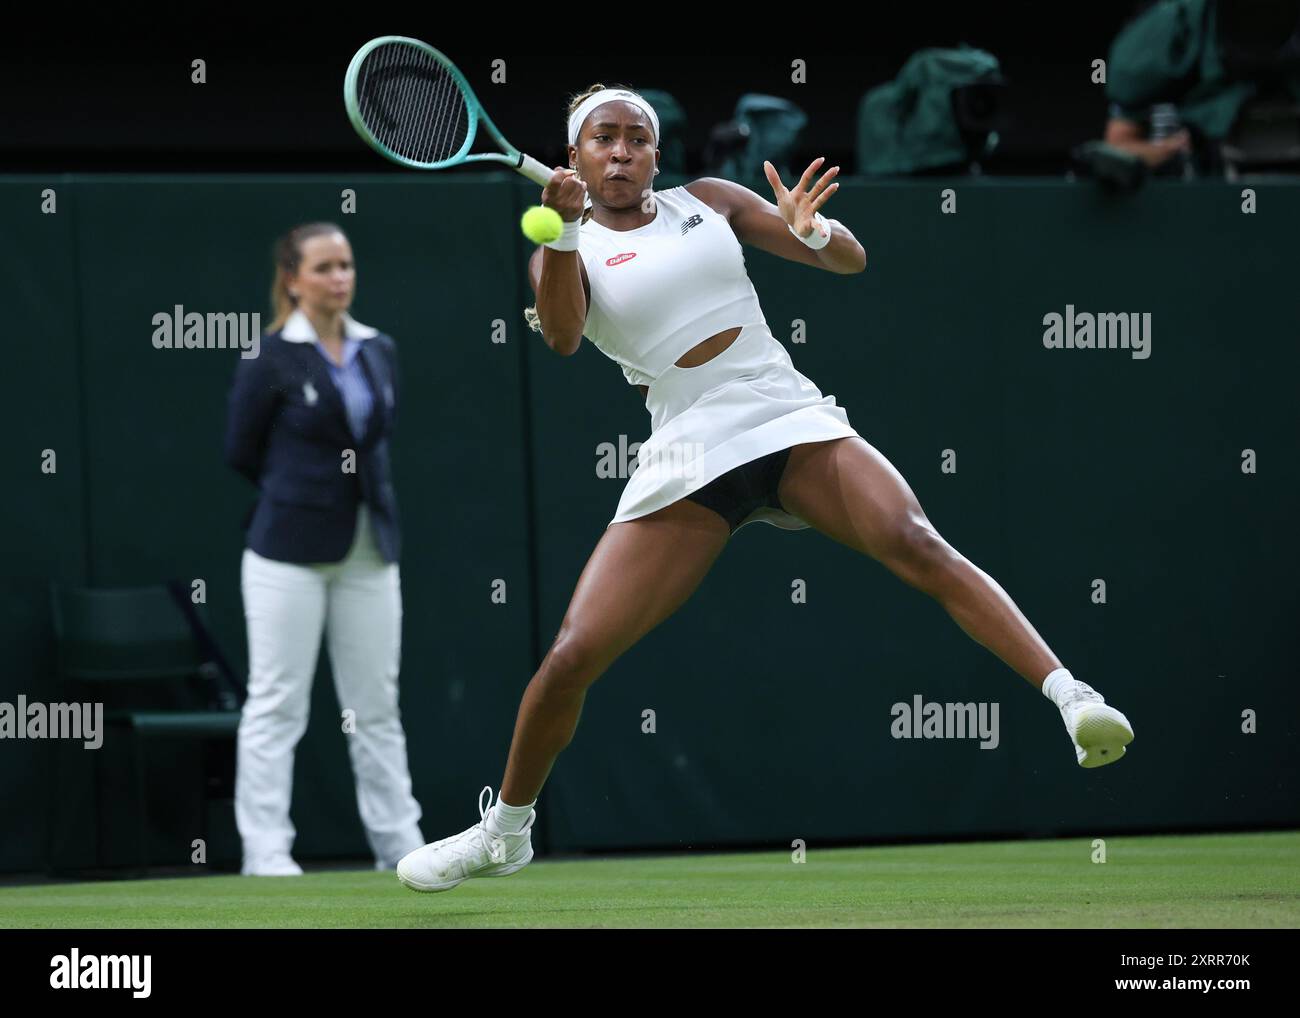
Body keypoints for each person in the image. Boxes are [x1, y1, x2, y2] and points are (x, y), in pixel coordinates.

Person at [396, 86, 1135, 893]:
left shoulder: (708, 201)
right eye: (602, 139)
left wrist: (816, 229)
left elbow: (847, 259)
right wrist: (568, 228)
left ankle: (1073, 697)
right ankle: (505, 832)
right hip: (685, 452)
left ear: (653, 153)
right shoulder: (555, 250)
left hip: (784, 413)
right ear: (573, 155)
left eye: (636, 139)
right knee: (572, 657)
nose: (620, 153)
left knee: (917, 541)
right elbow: (567, 336)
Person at [225, 222, 423, 876]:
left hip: (371, 545)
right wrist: (302, 499)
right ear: (292, 279)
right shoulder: (269, 357)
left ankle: (400, 846)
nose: (339, 277)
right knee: (277, 702)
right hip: (287, 551)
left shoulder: (379, 349)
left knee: (376, 707)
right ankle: (266, 851)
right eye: (323, 267)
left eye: (346, 265)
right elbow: (241, 452)